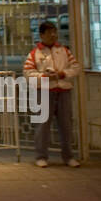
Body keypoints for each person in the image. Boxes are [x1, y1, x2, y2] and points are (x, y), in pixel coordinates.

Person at [22, 21, 80, 167]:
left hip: (64, 91)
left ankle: (68, 157)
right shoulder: (35, 53)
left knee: (66, 125)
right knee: (42, 125)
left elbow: (76, 67)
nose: (53, 35)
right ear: (41, 35)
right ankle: (41, 156)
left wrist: (62, 74)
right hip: (44, 92)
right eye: (49, 33)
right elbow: (28, 73)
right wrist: (44, 77)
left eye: (54, 32)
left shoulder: (64, 51)